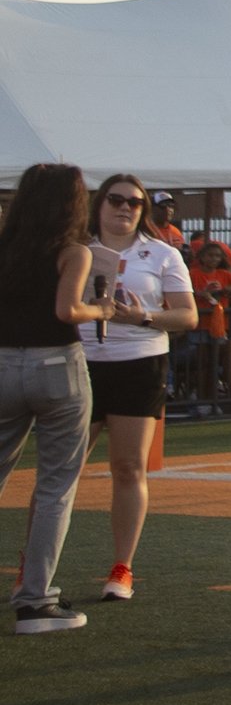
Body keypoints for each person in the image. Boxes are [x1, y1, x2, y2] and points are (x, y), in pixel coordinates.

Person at [79, 174, 194, 606]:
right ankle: (36, 565)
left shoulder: (163, 254)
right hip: (82, 363)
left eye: (135, 202)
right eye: (116, 199)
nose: (125, 208)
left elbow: (187, 316)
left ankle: (122, 566)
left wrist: (142, 317)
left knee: (129, 468)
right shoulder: (78, 251)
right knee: (63, 471)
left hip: (139, 364)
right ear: (99, 204)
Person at [0, 164, 106, 633]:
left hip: (3, 364)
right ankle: (35, 601)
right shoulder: (73, 251)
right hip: (57, 366)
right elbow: (67, 311)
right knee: (55, 488)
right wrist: (101, 308)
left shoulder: (6, 245)